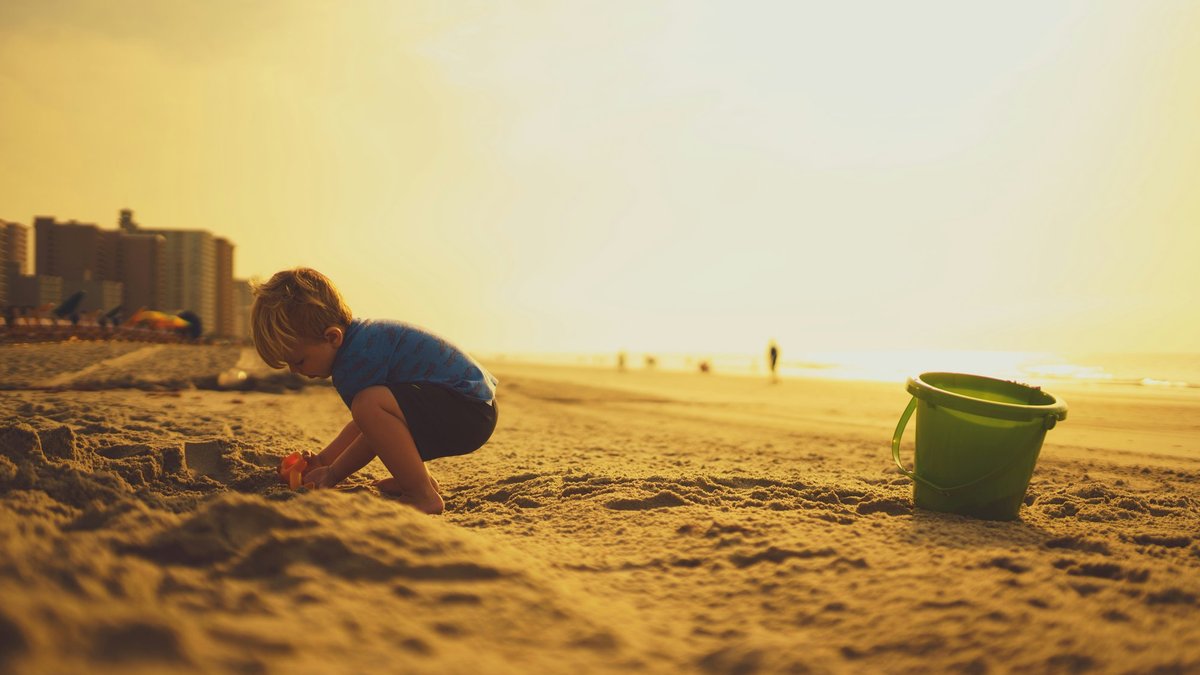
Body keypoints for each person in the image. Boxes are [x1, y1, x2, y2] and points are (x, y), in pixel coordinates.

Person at [250, 267, 498, 514]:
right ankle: (419, 481)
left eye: (299, 361)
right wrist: (324, 460)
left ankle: (421, 494)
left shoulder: (355, 361)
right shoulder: (361, 340)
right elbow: (369, 425)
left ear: (332, 337)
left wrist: (332, 473)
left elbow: (370, 428)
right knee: (375, 409)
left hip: (466, 412)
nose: (294, 371)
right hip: (474, 408)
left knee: (369, 405)